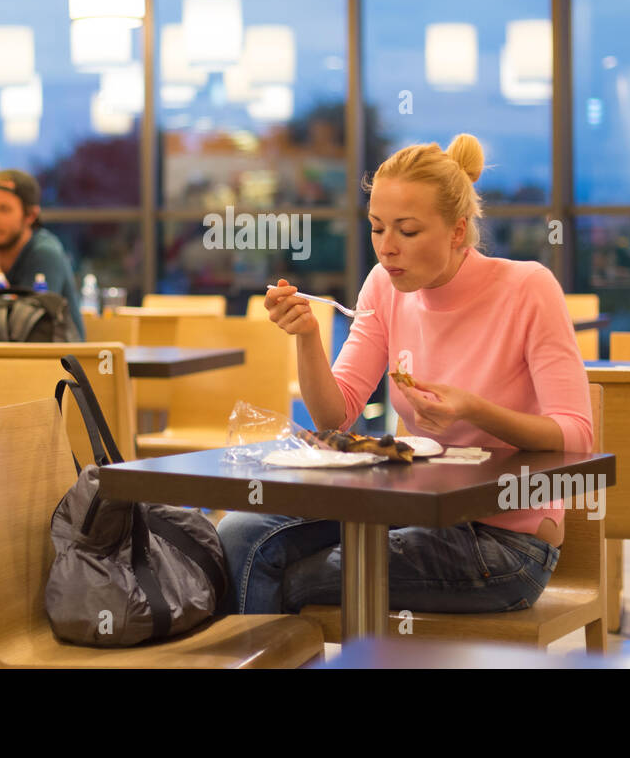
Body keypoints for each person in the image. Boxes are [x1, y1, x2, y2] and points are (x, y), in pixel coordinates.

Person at [218, 134, 594, 615]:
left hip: (503, 544)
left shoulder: (528, 289)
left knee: (276, 573)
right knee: (238, 535)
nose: (387, 249)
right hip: (408, 512)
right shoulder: (383, 287)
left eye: (408, 231)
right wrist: (308, 337)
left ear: (458, 231)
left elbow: (578, 438)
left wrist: (475, 409)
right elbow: (337, 416)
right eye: (377, 229)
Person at [0, 169, 85, 338]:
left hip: (55, 362)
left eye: (4, 210)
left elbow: (19, 334)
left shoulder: (45, 253)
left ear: (30, 216)